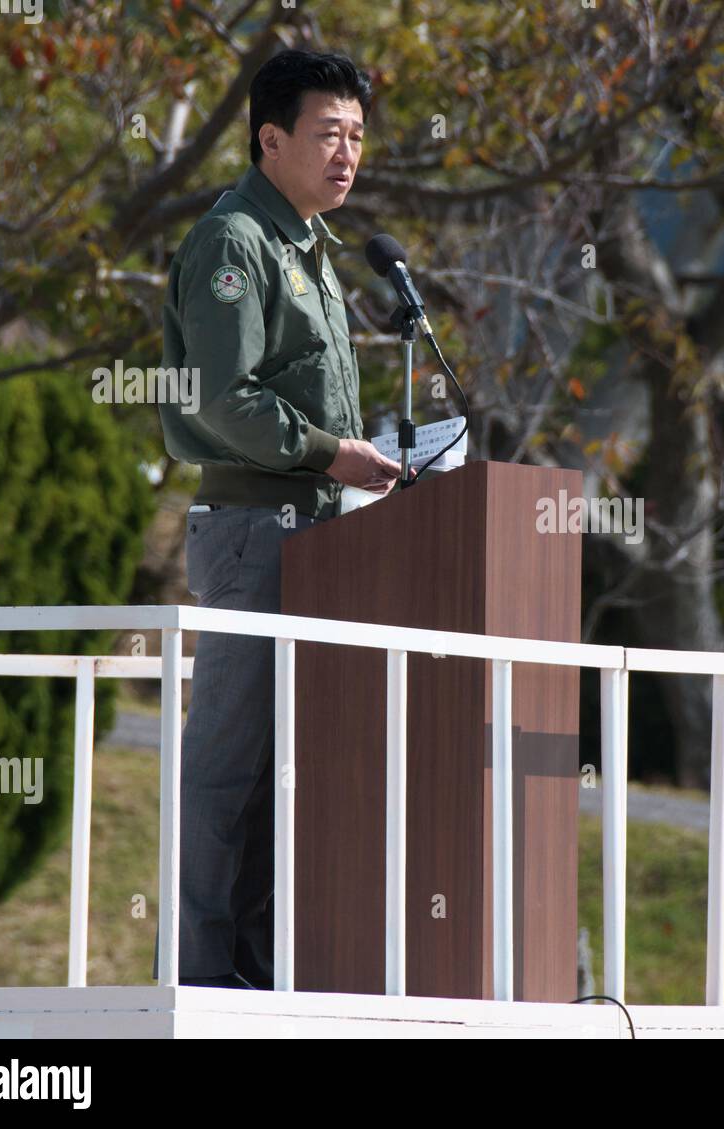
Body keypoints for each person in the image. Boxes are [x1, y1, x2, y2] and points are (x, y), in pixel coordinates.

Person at [153, 49, 403, 989]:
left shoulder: (309, 245)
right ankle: (193, 981)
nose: (348, 155)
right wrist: (332, 453)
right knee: (228, 771)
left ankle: (255, 982)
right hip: (258, 536)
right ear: (270, 139)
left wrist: (359, 462)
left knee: (284, 781)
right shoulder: (237, 243)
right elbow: (221, 399)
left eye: (358, 138)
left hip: (321, 538)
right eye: (328, 134)